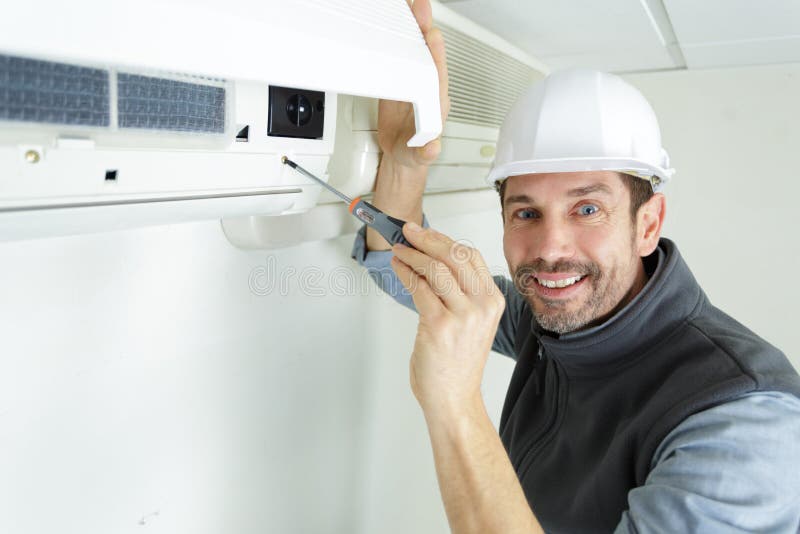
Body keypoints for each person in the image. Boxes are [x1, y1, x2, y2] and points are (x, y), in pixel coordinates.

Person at [350, 1, 800, 532]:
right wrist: (404, 161)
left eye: (587, 209)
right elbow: (402, 274)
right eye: (526, 212)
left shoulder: (742, 424)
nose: (550, 247)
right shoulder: (549, 318)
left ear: (647, 224)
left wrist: (452, 401)